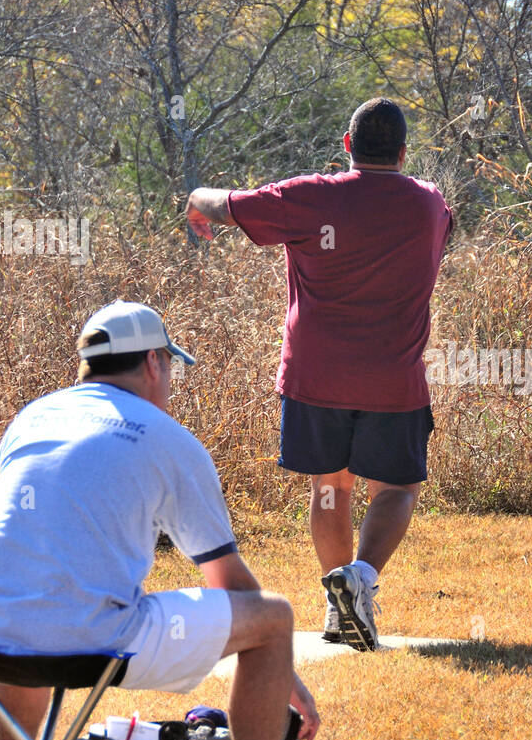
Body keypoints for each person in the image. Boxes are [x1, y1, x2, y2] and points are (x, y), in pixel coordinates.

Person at [0, 300, 318, 740]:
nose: (168, 381)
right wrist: (283, 673)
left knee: (30, 604)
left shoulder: (29, 420)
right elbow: (227, 580)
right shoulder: (165, 435)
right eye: (169, 366)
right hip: (96, 644)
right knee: (273, 618)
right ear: (152, 363)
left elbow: (9, 543)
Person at [185, 97, 454, 653]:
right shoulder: (429, 205)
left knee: (330, 486)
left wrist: (195, 200)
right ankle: (360, 580)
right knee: (398, 486)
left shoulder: (310, 197)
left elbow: (228, 206)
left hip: (315, 375)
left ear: (348, 146)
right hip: (393, 378)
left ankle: (340, 604)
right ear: (404, 152)